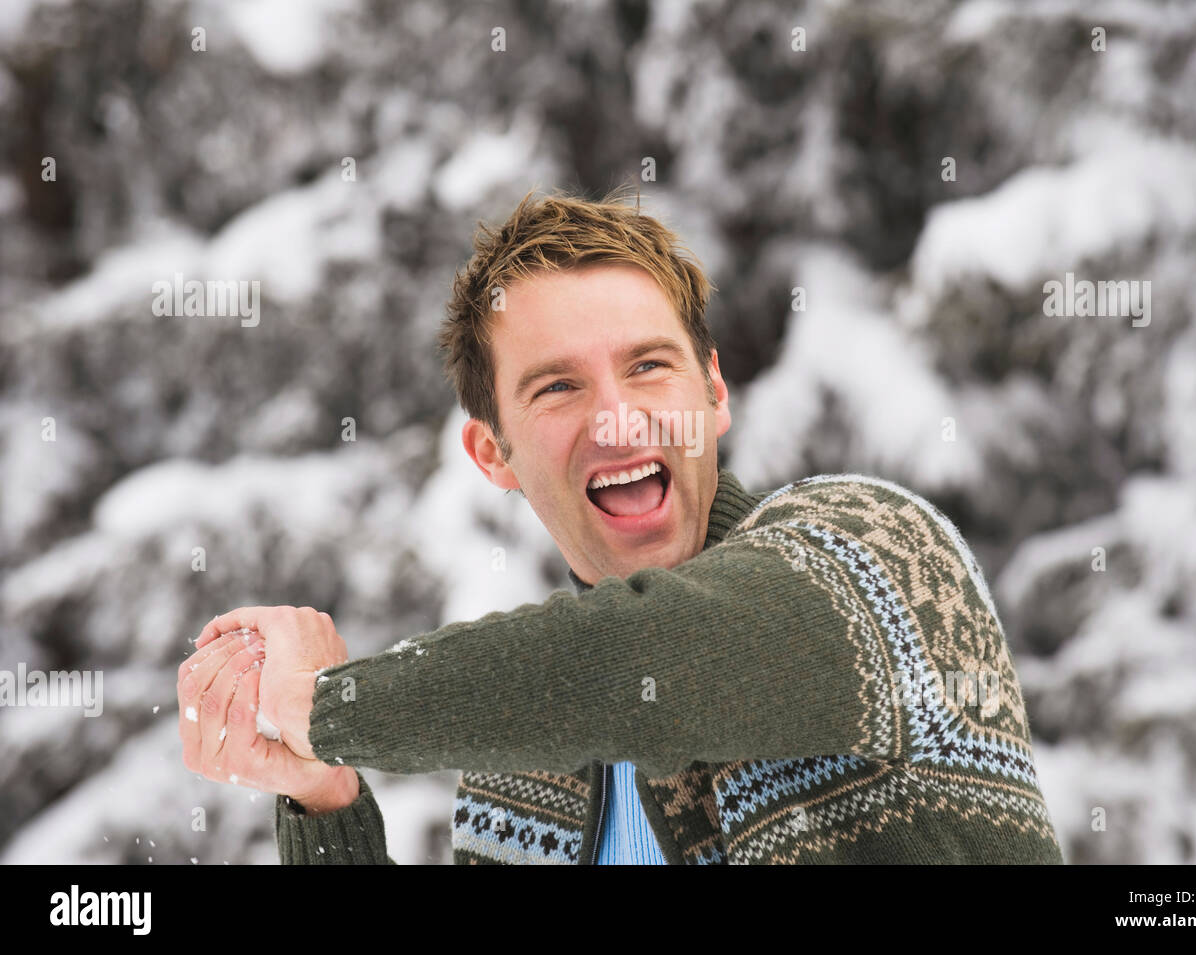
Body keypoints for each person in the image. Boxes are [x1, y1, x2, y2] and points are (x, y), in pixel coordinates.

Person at [177, 186, 1065, 864]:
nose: (619, 420)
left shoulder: (875, 556)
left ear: (714, 393)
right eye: (558, 386)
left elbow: (647, 660)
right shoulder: (518, 781)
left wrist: (321, 706)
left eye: (648, 366)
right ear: (492, 454)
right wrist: (326, 796)